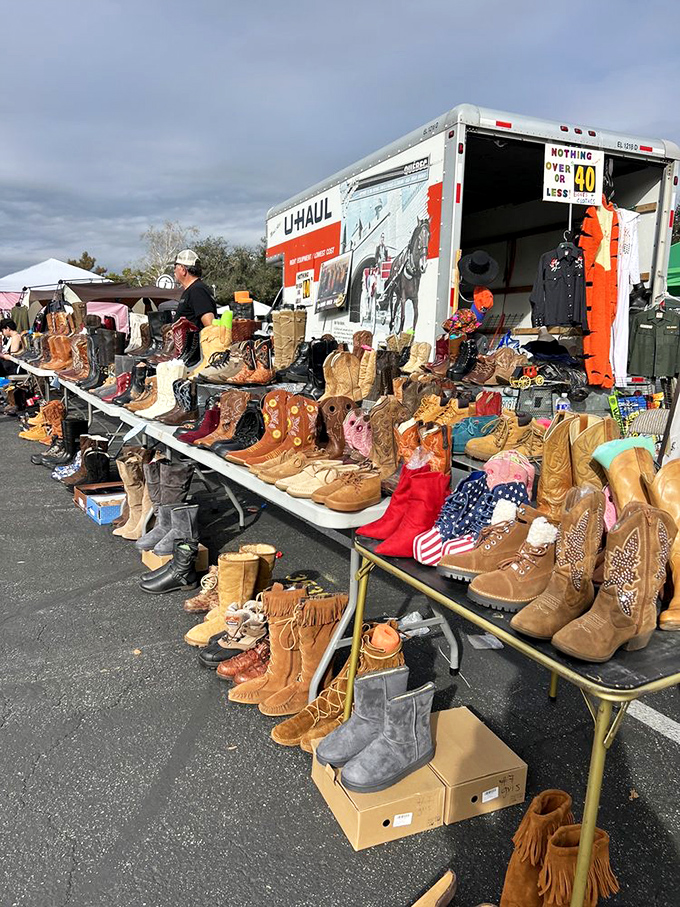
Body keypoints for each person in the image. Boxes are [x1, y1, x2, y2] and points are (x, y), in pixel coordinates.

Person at [171, 250, 217, 328]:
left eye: (175, 267)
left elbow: (210, 327)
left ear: (183, 269)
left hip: (197, 340)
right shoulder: (193, 290)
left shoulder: (197, 291)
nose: (174, 271)